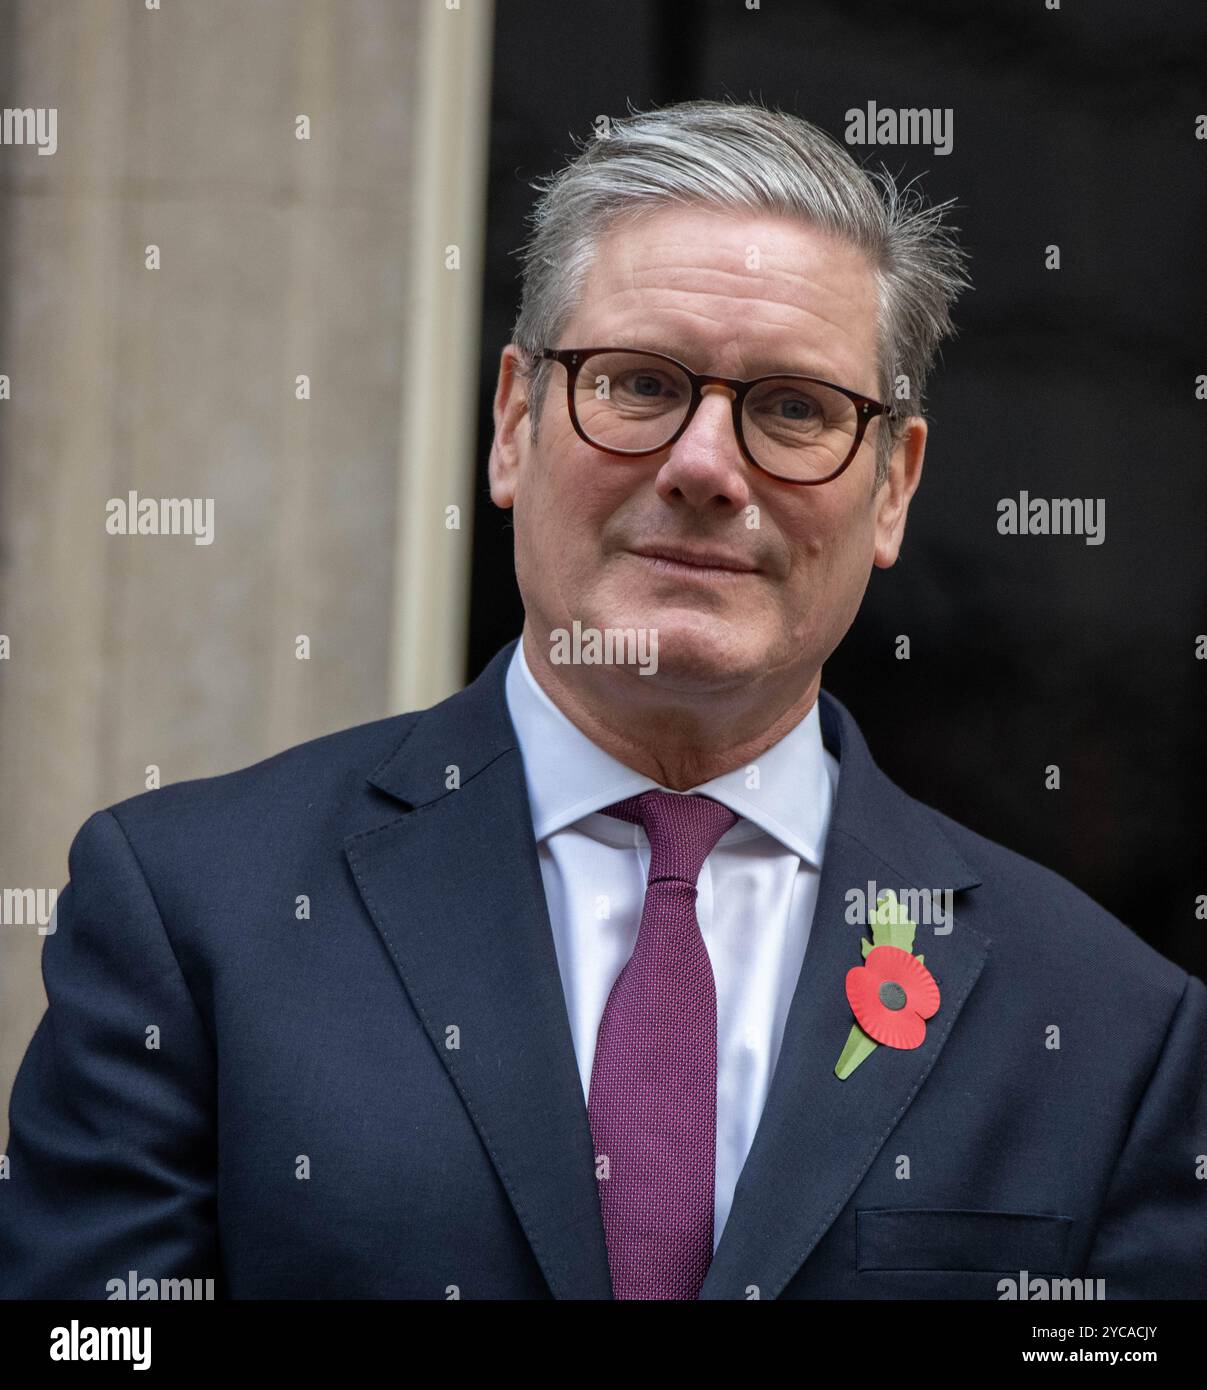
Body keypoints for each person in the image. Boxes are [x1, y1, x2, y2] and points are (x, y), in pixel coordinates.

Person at [1, 100, 1203, 1301]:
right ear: (513, 423)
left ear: (892, 487)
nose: (705, 467)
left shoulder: (1110, 1027)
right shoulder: (193, 915)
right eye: (638, 382)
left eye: (794, 407)